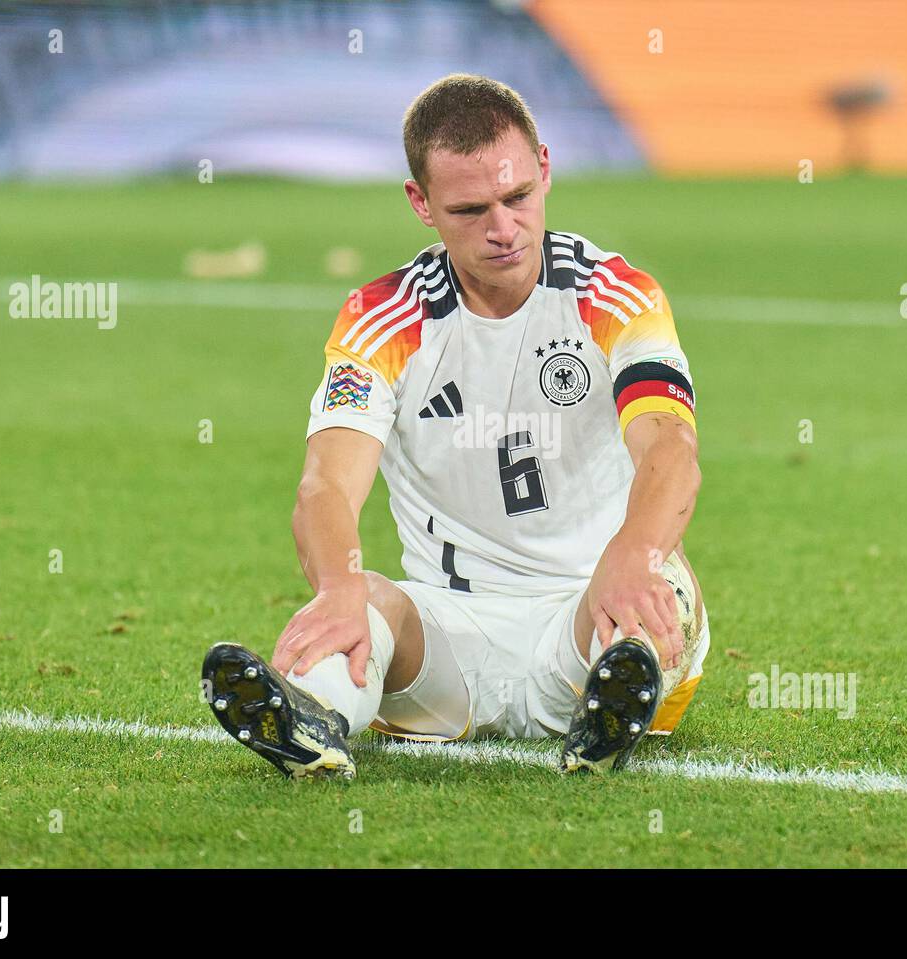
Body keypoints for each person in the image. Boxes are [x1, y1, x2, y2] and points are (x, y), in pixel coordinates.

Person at [202, 73, 709, 778]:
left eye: (518, 197)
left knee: (668, 581)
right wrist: (338, 586)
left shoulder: (615, 295)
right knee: (364, 599)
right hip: (446, 639)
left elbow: (671, 447)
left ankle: (609, 703)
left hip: (590, 610)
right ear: (422, 203)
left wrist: (636, 549)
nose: (504, 229)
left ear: (545, 169)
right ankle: (313, 718)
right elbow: (326, 485)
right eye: (471, 209)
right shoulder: (382, 318)